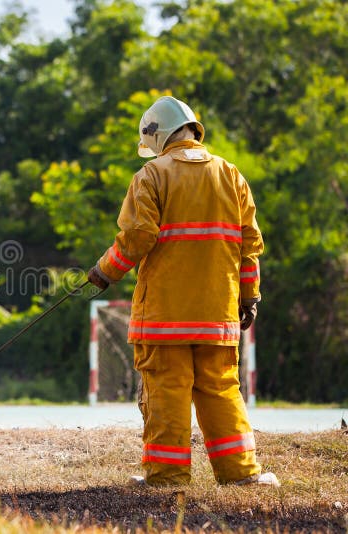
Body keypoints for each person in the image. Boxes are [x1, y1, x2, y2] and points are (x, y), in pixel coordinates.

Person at [87, 95, 279, 487]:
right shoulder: (231, 175)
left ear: (157, 136)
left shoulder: (152, 176)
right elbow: (248, 246)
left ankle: (167, 476)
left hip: (165, 319)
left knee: (166, 394)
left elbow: (138, 237)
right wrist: (250, 296)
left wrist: (104, 271)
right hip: (217, 316)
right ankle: (241, 475)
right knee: (221, 390)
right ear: (193, 129)